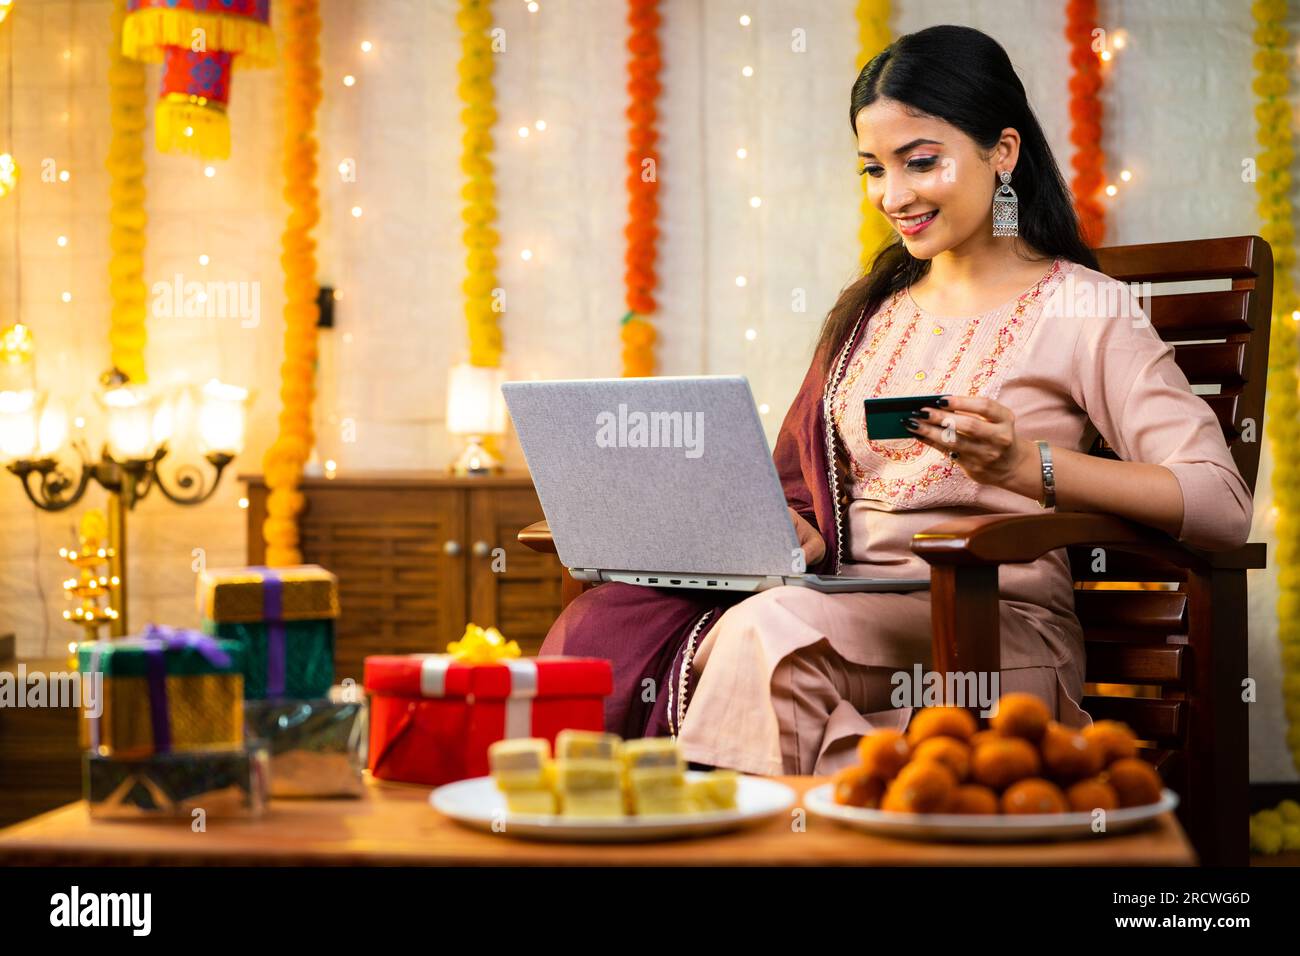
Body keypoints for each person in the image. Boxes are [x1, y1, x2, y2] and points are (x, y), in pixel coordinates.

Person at [539, 24, 1253, 776]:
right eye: (873, 169)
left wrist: (1027, 467)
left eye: (920, 162)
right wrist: (785, 530)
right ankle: (827, 808)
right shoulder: (872, 311)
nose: (893, 195)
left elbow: (1220, 501)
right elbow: (809, 492)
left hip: (989, 627)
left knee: (766, 636)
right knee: (698, 627)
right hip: (833, 605)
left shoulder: (1084, 309)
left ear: (1001, 152)